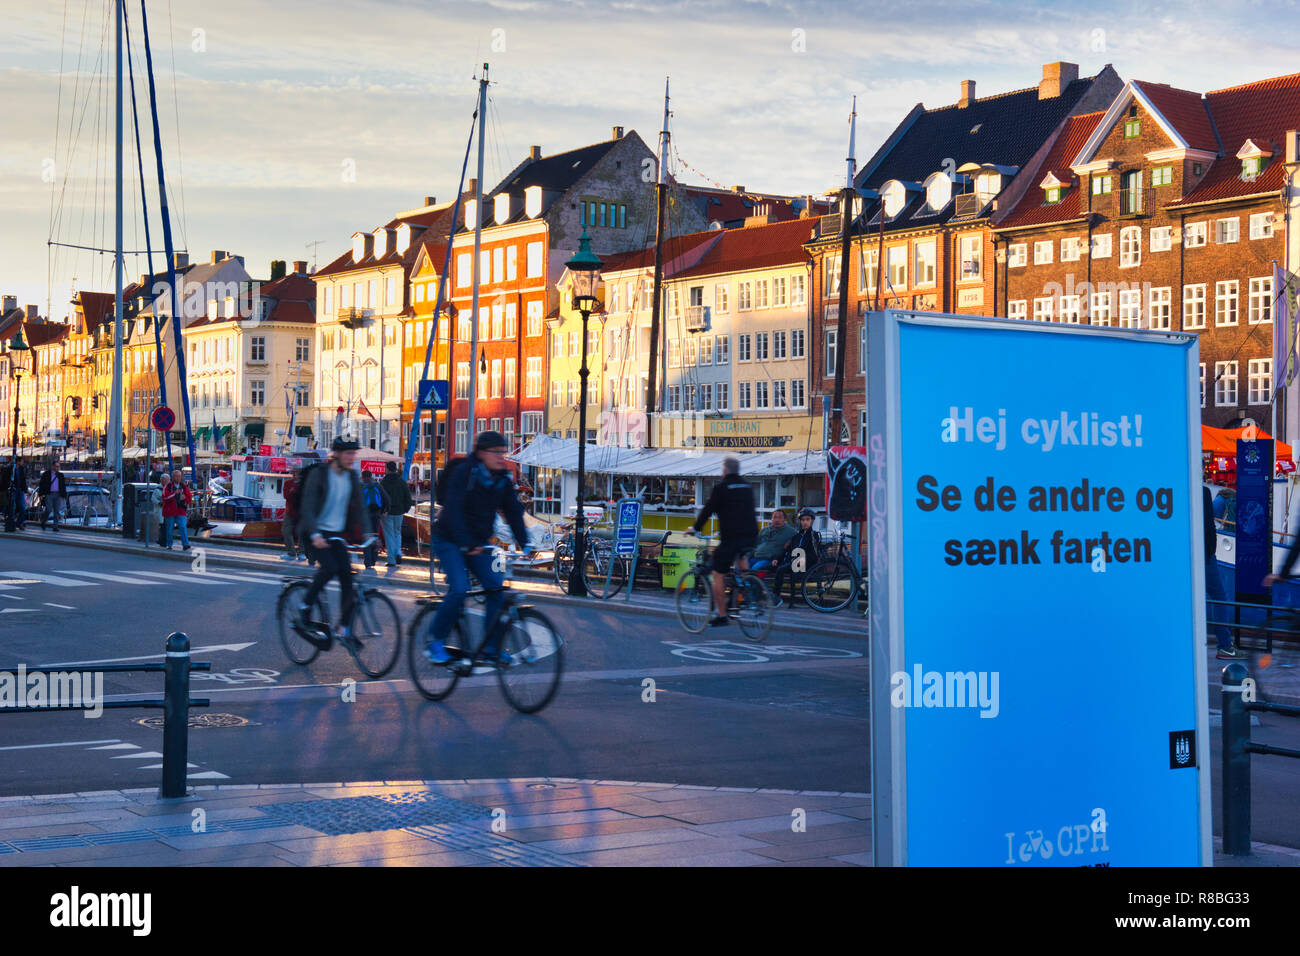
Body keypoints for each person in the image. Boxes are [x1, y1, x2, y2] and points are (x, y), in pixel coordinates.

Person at [423, 431, 531, 665]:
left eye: (504, 452)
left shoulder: (502, 479)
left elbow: (513, 511)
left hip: (478, 543)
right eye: (497, 452)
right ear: (482, 453)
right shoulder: (465, 473)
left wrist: (527, 543)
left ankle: (490, 650)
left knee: (496, 590)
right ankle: (435, 641)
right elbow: (452, 509)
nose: (502, 457)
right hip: (449, 537)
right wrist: (466, 543)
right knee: (459, 590)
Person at [296, 438, 372, 642]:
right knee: (329, 568)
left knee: (348, 577)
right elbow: (308, 507)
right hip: (315, 531)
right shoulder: (319, 474)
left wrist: (368, 533)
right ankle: (305, 606)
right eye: (348, 453)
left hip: (337, 534)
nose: (352, 458)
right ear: (336, 454)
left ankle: (345, 628)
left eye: (353, 454)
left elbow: (361, 508)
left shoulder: (352, 477)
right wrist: (315, 535)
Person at [687, 457, 758, 627]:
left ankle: (722, 615)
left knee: (718, 574)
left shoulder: (721, 488)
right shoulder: (747, 487)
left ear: (724, 470)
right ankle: (749, 595)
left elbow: (707, 510)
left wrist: (695, 528)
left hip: (731, 538)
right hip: (751, 535)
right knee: (742, 567)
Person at [772, 508, 823, 608]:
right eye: (803, 520)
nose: (805, 522)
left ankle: (778, 597)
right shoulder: (797, 536)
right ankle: (775, 596)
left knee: (784, 569)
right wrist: (777, 559)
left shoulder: (814, 536)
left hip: (807, 565)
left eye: (807, 520)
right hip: (794, 562)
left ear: (812, 521)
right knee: (779, 568)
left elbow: (814, 554)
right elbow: (787, 550)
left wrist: (801, 560)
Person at [379, 461, 413, 568]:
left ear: (387, 469)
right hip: (399, 512)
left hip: (387, 512)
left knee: (389, 535)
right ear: (396, 469)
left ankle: (391, 560)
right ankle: (398, 552)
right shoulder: (401, 482)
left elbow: (381, 498)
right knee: (397, 533)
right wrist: (405, 509)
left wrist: (382, 510)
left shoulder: (384, 482)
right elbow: (408, 497)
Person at [359, 469, 389, 571]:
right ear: (371, 476)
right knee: (375, 536)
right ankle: (374, 560)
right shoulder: (377, 485)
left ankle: (368, 562)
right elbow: (387, 499)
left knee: (366, 537)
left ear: (362, 477)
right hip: (376, 515)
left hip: (364, 516)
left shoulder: (361, 486)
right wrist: (383, 510)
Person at [162, 469, 193, 551]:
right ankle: (169, 544)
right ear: (173, 477)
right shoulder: (168, 486)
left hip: (181, 510)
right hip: (170, 511)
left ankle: (185, 544)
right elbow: (165, 497)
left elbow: (189, 497)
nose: (178, 478)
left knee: (183, 527)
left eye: (179, 476)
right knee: (169, 528)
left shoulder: (184, 486)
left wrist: (185, 498)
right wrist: (174, 494)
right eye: (176, 476)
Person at [38, 461, 69, 532]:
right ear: (52, 466)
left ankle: (55, 526)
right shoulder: (46, 474)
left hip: (58, 494)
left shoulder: (60, 475)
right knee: (48, 509)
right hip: (49, 494)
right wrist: (41, 494)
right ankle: (43, 520)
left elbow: (63, 485)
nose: (57, 468)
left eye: (58, 467)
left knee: (57, 510)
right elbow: (42, 484)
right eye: (56, 466)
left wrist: (64, 495)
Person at [280, 469, 302, 561]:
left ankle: (302, 552)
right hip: (290, 511)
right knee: (286, 531)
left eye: (297, 473)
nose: (295, 475)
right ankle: (291, 552)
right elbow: (286, 496)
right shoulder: (287, 483)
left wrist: (294, 491)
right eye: (294, 473)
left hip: (302, 512)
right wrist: (293, 492)